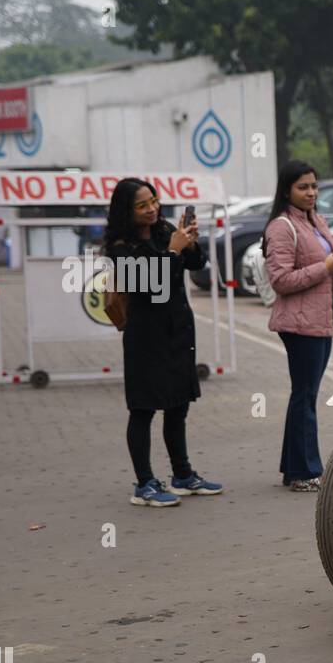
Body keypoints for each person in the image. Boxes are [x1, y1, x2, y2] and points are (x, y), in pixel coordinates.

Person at [104, 178, 223, 507]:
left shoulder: (164, 228)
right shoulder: (120, 246)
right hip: (145, 336)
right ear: (127, 211)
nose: (152, 209)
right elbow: (146, 284)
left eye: (153, 201)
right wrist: (173, 250)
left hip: (177, 330)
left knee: (177, 405)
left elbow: (195, 265)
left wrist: (191, 244)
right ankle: (144, 484)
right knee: (142, 409)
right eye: (142, 205)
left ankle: (182, 475)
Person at [263, 160, 333, 492]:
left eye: (314, 186)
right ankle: (305, 471)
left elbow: (324, 272)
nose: (311, 193)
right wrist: (325, 266)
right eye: (303, 187)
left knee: (304, 396)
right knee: (304, 397)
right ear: (287, 189)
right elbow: (280, 280)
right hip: (298, 325)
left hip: (320, 321)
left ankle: (294, 469)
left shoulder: (316, 221)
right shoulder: (281, 226)